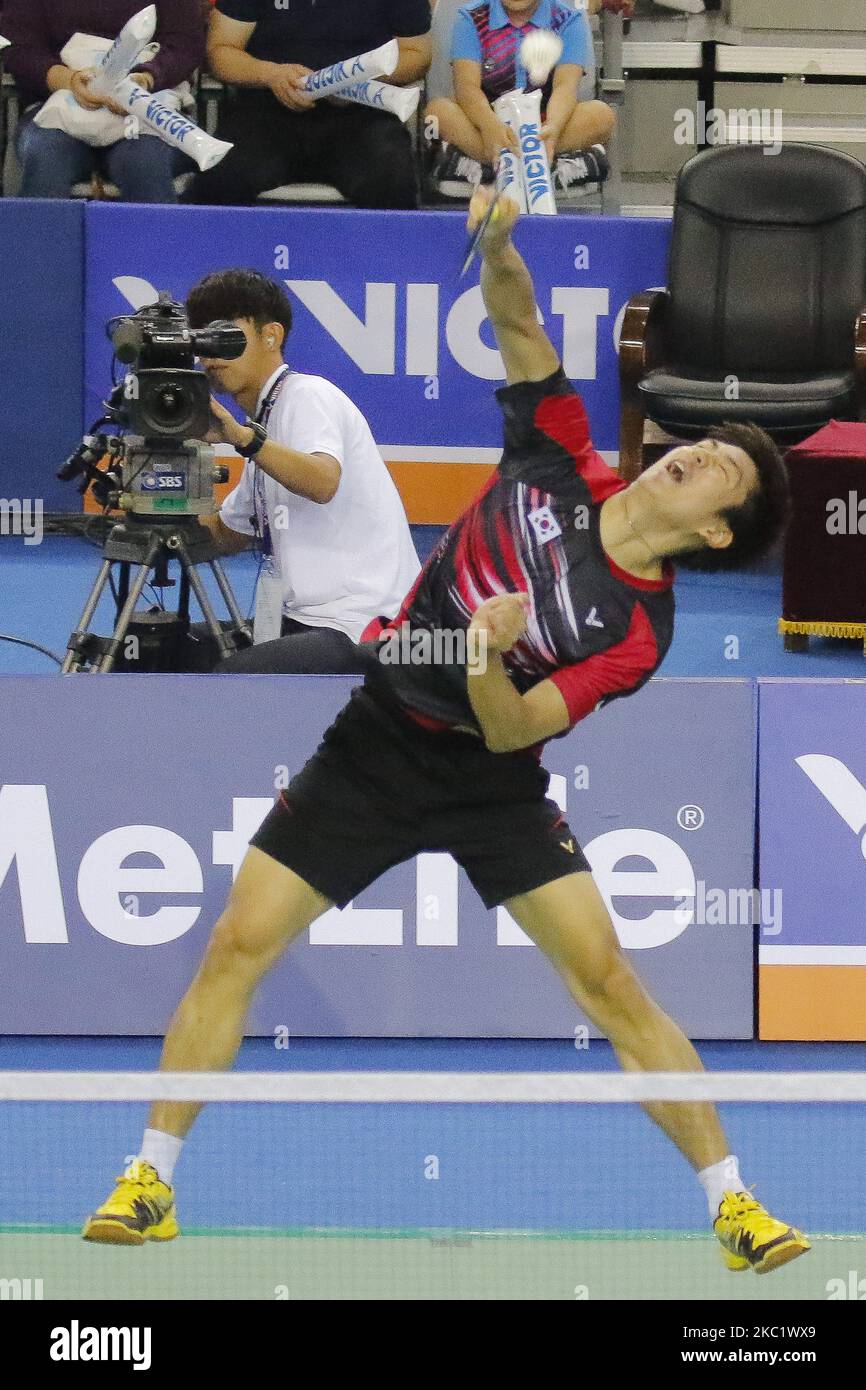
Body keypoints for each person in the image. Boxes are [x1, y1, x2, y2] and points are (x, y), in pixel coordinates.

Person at [83, 188, 806, 1276]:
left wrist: (481, 655)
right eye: (694, 444)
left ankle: (733, 1205)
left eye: (715, 471)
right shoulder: (561, 453)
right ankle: (149, 1182)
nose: (686, 455)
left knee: (608, 982)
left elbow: (516, 727)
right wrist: (503, 245)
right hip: (376, 744)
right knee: (238, 942)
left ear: (712, 529)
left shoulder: (637, 630)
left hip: (488, 780)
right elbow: (519, 324)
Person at [185, 268, 420, 672]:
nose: (210, 354)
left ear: (271, 335)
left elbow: (322, 480)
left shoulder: (307, 395)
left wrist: (243, 439)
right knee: (163, 647)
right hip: (299, 622)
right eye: (203, 339)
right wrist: (152, 502)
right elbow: (225, 536)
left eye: (224, 335)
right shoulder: (266, 423)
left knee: (231, 679)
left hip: (363, 625)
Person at [191, 1, 432, 209]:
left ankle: (381, 263)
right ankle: (226, 262)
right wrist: (270, 74)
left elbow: (417, 54)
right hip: (265, 111)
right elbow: (221, 50)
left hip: (362, 116)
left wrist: (354, 78)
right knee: (221, 175)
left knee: (392, 177)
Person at [3, 0, 206, 203]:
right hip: (55, 106)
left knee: (144, 161)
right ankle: (45, 235)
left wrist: (145, 79)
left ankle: (153, 235)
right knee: (46, 154)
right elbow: (20, 48)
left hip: (147, 109)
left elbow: (185, 44)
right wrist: (68, 80)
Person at [426, 0, 616, 194]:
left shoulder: (568, 18)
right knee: (437, 113)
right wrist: (489, 126)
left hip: (542, 127)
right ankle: (545, 166)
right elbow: (467, 88)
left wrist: (554, 127)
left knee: (602, 116)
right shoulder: (471, 17)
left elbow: (565, 88)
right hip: (486, 124)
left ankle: (488, 165)